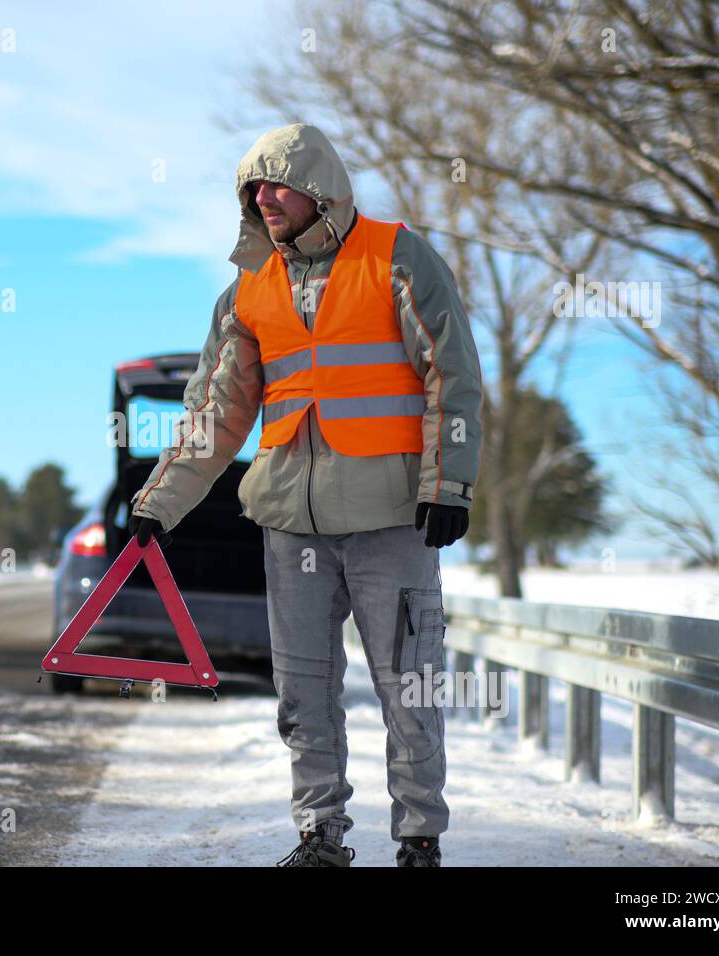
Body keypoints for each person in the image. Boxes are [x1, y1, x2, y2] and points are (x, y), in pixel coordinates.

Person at [127, 123, 483, 867]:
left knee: (408, 685)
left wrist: (448, 481)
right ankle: (320, 836)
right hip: (291, 520)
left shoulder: (398, 257)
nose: (262, 198)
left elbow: (451, 372)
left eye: (275, 185)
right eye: (252, 189)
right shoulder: (247, 291)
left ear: (319, 190)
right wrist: (160, 501)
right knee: (304, 692)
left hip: (393, 516)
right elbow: (217, 410)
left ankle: (419, 839)